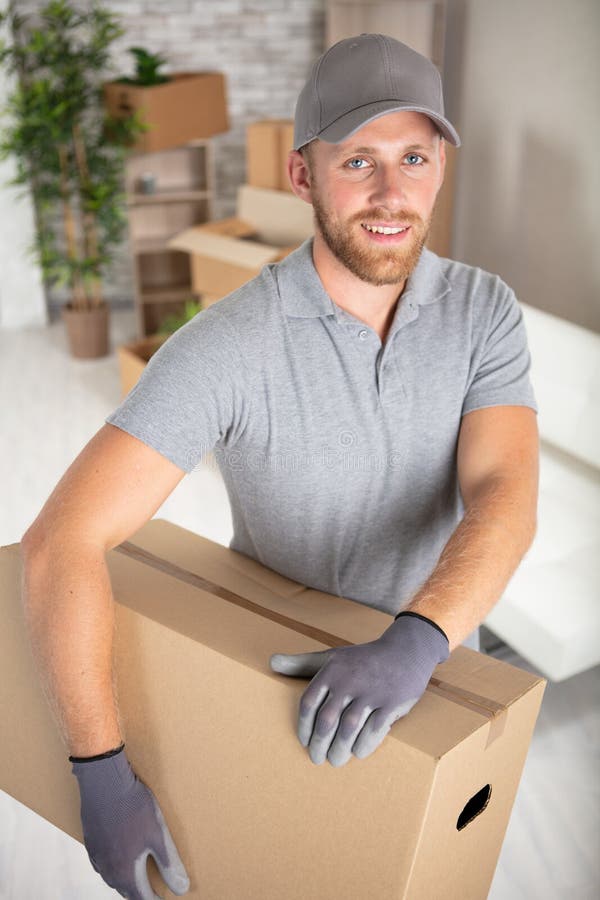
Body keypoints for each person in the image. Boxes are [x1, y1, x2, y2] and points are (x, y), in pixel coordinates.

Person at [20, 33, 539, 900]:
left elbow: (504, 496)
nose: (390, 193)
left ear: (441, 164)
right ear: (303, 176)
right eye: (358, 161)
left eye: (413, 157)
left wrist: (416, 640)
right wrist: (99, 769)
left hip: (440, 684)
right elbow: (59, 541)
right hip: (283, 710)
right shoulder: (229, 347)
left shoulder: (483, 312)